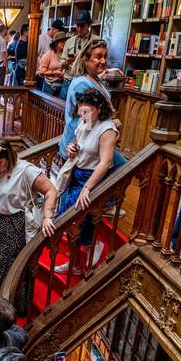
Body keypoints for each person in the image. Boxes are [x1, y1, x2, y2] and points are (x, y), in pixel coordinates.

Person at [0, 136, 57, 310]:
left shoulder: (26, 170)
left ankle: (1, 308)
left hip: (11, 226)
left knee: (3, 267)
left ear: (10, 158)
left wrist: (47, 217)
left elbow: (51, 190)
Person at [56, 89, 120, 269]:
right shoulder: (85, 122)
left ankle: (92, 246)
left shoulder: (107, 129)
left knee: (70, 219)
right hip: (77, 174)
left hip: (91, 178)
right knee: (72, 221)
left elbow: (106, 162)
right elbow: (79, 144)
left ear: (98, 109)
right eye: (80, 111)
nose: (81, 115)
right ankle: (75, 263)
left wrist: (87, 188)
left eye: (86, 111)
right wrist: (71, 148)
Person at [61, 38, 114, 154]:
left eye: (105, 56)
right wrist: (112, 122)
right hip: (80, 146)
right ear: (86, 60)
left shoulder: (94, 78)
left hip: (93, 141)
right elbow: (87, 121)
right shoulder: (81, 84)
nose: (103, 61)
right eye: (98, 57)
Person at [61, 10, 94, 82]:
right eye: (77, 25)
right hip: (69, 81)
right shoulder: (69, 41)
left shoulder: (96, 41)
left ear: (89, 25)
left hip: (87, 82)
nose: (79, 29)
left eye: (82, 26)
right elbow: (61, 63)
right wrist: (67, 62)